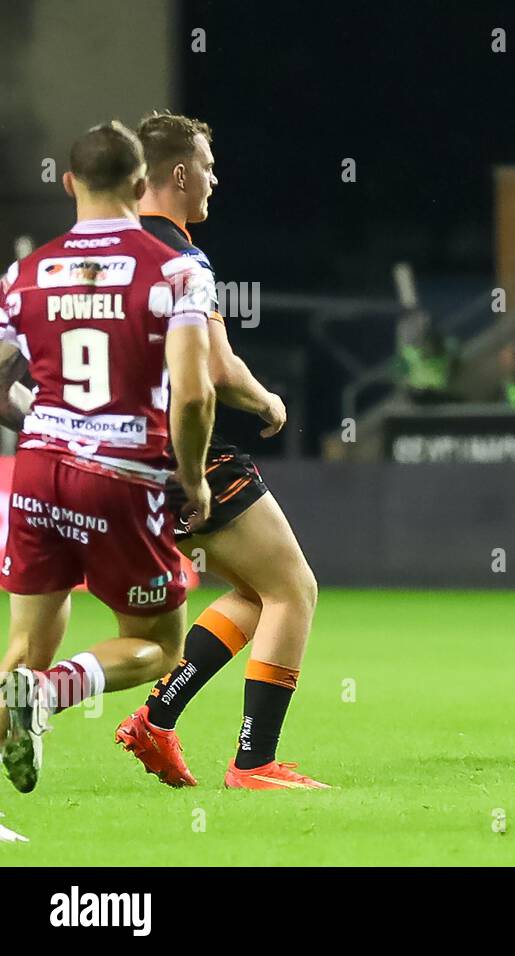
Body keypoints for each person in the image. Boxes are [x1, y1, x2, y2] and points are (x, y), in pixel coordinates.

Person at [114, 110, 326, 791]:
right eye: (206, 165)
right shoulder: (181, 257)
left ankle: (158, 717)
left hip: (119, 462)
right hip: (185, 451)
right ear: (178, 173)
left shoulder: (105, 252)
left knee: (254, 592)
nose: (214, 176)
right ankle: (255, 762)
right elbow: (218, 370)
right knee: (294, 591)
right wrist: (269, 402)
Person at [0, 121, 214, 793]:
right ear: (137, 183)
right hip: (122, 476)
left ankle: (28, 694)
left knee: (22, 650)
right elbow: (195, 392)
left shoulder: (25, 272)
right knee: (160, 648)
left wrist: (34, 421)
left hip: (35, 471)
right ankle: (54, 692)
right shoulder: (175, 270)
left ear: (69, 184)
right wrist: (192, 477)